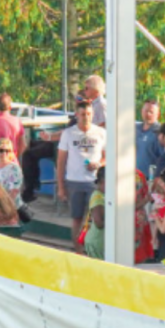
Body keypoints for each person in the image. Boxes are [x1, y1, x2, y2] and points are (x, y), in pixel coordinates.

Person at [57, 101, 106, 251]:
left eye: (89, 114)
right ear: (77, 115)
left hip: (94, 182)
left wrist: (98, 163)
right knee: (77, 218)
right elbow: (61, 161)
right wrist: (61, 187)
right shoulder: (68, 134)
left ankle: (94, 248)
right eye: (83, 114)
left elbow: (108, 156)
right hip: (74, 181)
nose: (86, 117)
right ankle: (78, 250)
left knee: (95, 218)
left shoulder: (101, 133)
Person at [83, 168, 107, 260]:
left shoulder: (106, 195)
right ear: (102, 181)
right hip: (96, 242)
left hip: (101, 241)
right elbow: (99, 223)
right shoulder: (97, 197)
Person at [135, 99, 163, 179]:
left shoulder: (160, 132)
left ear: (158, 114)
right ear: (141, 111)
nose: (148, 114)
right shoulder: (135, 129)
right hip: (133, 178)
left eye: (151, 112)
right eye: (146, 110)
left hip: (150, 179)